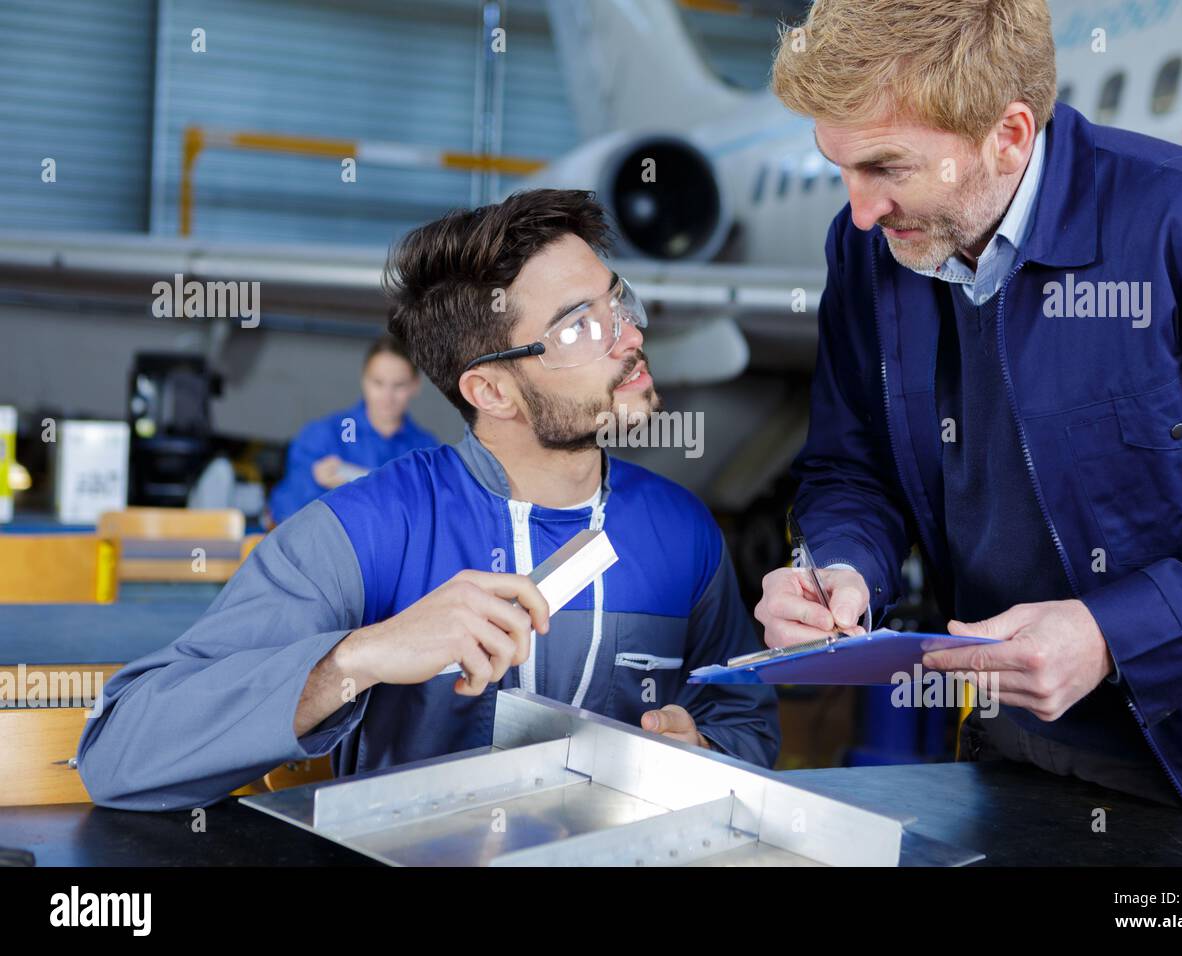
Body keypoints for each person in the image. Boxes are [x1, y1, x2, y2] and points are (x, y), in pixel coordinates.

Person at [755, 0, 1182, 844]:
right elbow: (849, 466)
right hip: (1008, 745)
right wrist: (841, 568)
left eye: (887, 169)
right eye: (842, 170)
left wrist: (1110, 635)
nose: (859, 211)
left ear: (1008, 135)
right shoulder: (868, 250)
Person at [77, 189, 779, 810]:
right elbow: (117, 754)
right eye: (578, 326)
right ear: (491, 391)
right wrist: (357, 657)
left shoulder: (683, 532)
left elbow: (745, 721)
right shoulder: (364, 533)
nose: (629, 336)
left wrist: (707, 751)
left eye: (617, 302)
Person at [265, 333, 438, 525]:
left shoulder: (426, 451)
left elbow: (432, 518)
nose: (387, 397)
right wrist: (316, 483)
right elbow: (283, 510)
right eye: (378, 383)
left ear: (416, 385)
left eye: (399, 385)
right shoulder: (323, 436)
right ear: (364, 380)